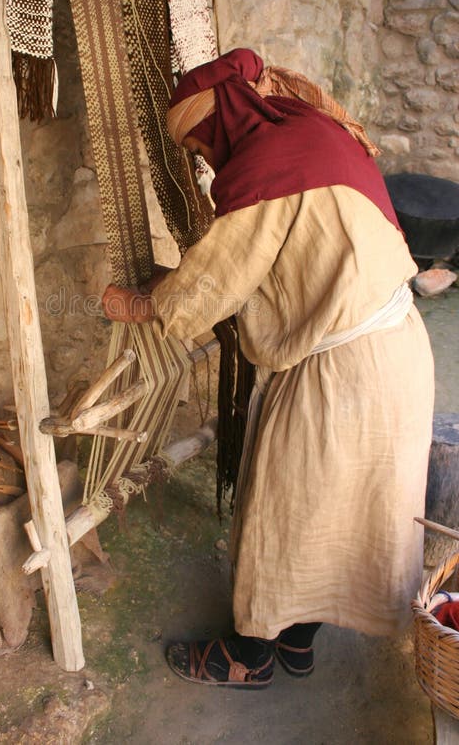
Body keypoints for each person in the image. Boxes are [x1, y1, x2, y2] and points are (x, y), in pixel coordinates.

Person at [101, 48, 434, 689]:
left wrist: (143, 303)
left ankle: (248, 656)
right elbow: (287, 260)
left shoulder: (265, 172)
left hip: (344, 375)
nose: (202, 166)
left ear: (220, 121)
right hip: (396, 352)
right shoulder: (317, 135)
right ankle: (300, 642)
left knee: (283, 507)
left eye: (198, 149)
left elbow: (217, 282)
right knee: (340, 509)